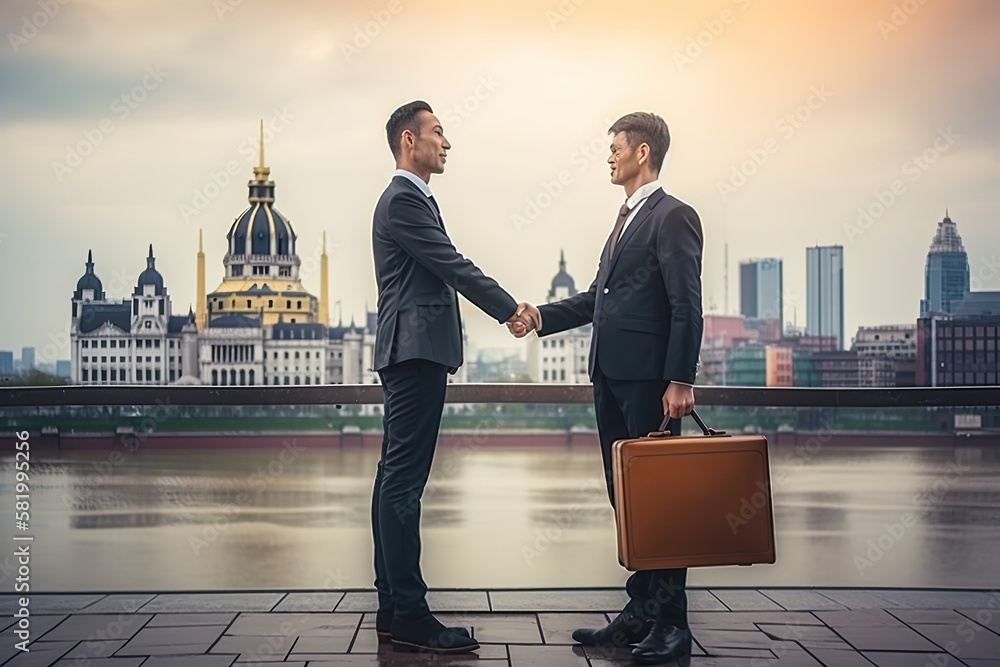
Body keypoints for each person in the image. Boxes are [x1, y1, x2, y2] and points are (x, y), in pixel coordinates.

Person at [510, 112, 703, 665]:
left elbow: (687, 305)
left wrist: (680, 377)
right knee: (628, 500)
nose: (609, 156)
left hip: (650, 383)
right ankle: (640, 611)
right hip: (610, 379)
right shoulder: (622, 222)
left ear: (642, 152)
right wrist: (537, 316)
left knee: (659, 502)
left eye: (615, 147)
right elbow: (595, 299)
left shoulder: (673, 217)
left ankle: (672, 626)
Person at [371, 100, 538, 654]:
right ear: (406, 141)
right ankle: (411, 614)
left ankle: (394, 607)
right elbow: (451, 263)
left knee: (394, 478)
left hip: (412, 350)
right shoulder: (403, 201)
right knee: (403, 482)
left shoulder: (410, 199)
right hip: (415, 352)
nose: (446, 143)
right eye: (437, 133)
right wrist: (510, 306)